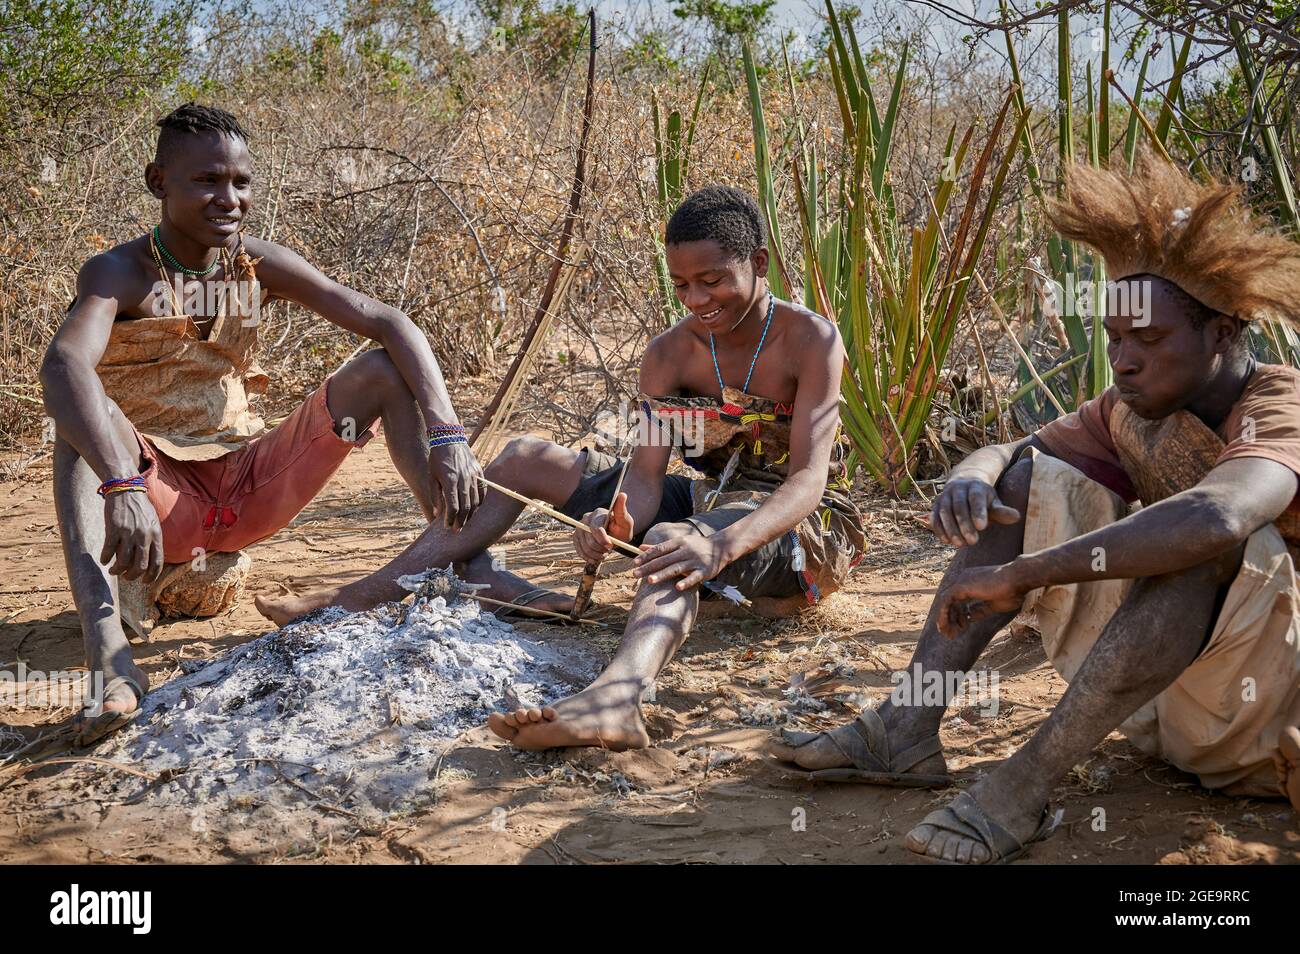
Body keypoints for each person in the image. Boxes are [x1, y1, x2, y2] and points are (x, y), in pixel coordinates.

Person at [773, 151, 1300, 863]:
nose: (1124, 360)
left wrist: (1024, 575)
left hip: (1268, 723)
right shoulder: (1129, 408)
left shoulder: (1281, 403)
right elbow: (1021, 454)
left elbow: (1218, 519)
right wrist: (974, 467)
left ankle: (1022, 787)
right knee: (1020, 482)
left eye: (1149, 339)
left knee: (1197, 538)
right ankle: (905, 726)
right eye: (1115, 339)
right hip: (1165, 710)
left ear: (1223, 335)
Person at [256, 185, 866, 751]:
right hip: (712, 500)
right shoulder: (670, 353)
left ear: (759, 262)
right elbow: (648, 478)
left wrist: (718, 545)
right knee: (527, 460)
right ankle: (362, 596)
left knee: (673, 543)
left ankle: (618, 700)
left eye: (713, 281)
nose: (697, 300)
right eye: (681, 285)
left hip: (802, 529)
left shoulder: (809, 340)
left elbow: (809, 481)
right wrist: (615, 519)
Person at [41, 103, 483, 745]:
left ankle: (460, 558)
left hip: (250, 487)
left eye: (241, 182)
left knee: (384, 370)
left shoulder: (257, 264)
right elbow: (61, 365)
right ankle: (109, 660)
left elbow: (388, 320)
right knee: (78, 422)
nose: (229, 198)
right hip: (153, 495)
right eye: (207, 181)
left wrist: (448, 435)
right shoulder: (120, 273)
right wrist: (122, 483)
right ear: (156, 181)